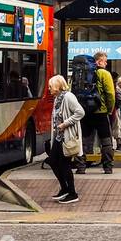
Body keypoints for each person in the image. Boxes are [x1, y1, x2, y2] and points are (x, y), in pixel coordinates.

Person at [47, 74, 83, 203]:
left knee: (64, 164)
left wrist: (65, 124)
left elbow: (80, 112)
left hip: (66, 137)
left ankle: (72, 193)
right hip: (58, 137)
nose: (49, 89)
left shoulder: (68, 97)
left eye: (51, 86)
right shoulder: (57, 98)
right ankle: (65, 189)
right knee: (52, 161)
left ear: (57, 86)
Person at [82, 50, 116, 174]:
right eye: (105, 61)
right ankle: (107, 167)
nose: (106, 64)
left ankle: (81, 166)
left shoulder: (83, 73)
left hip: (86, 112)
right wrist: (109, 109)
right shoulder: (104, 74)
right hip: (101, 112)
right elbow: (111, 94)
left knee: (85, 140)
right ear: (99, 61)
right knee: (106, 140)